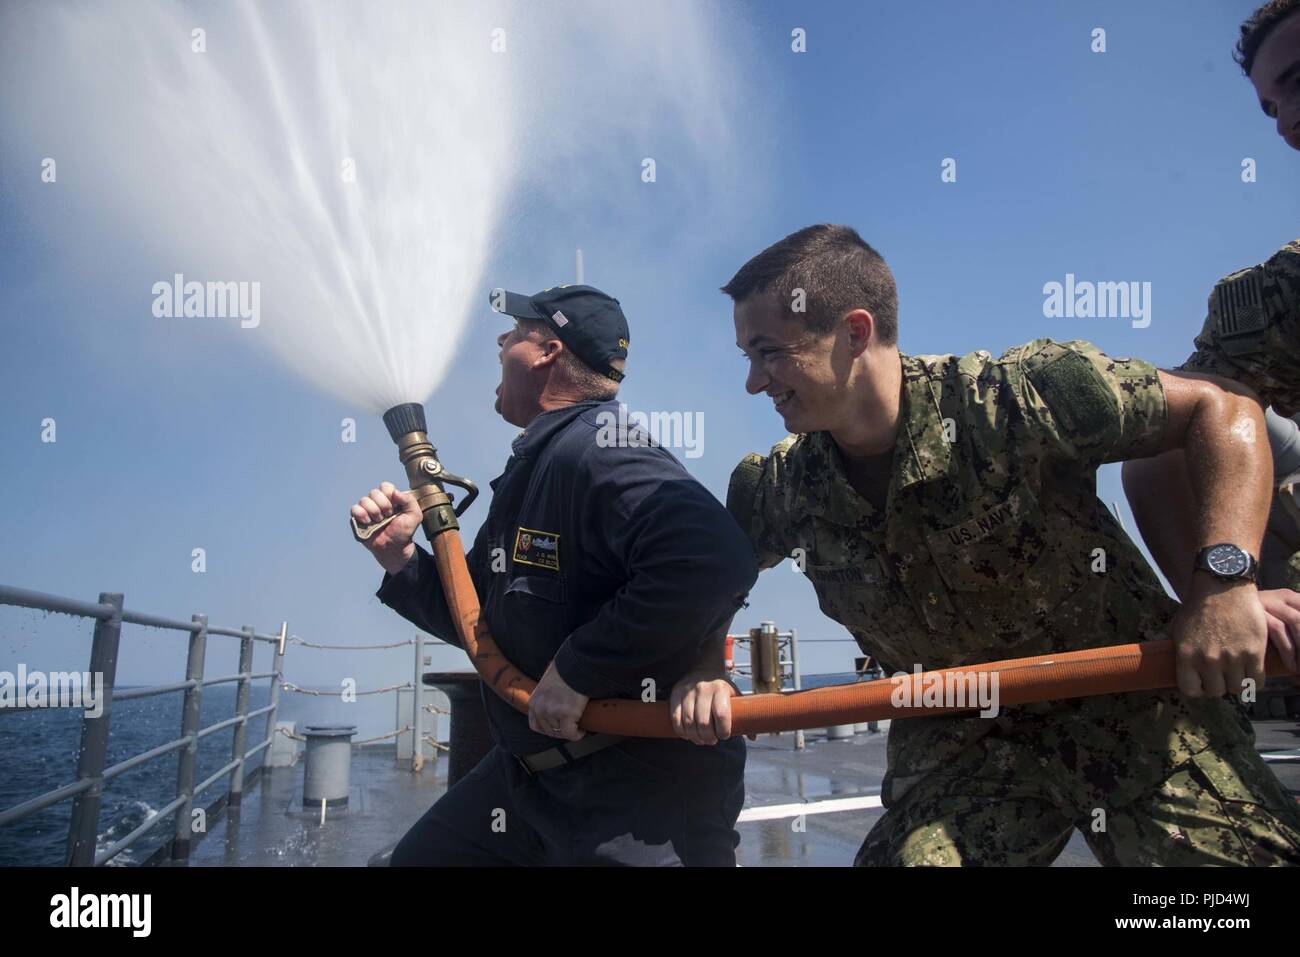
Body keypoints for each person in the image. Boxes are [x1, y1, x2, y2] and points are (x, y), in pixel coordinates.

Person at [676, 223, 1300, 865]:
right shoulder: (777, 487)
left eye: (770, 352)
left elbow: (1223, 411)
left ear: (854, 333)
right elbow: (719, 575)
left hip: (1137, 716)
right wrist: (702, 669)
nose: (755, 382)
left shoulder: (1018, 399)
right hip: (965, 749)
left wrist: (1224, 584)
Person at [354, 284, 755, 865]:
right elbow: (480, 625)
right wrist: (400, 557)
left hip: (635, 796)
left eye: (514, 332)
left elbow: (712, 561)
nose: (499, 341)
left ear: (546, 352)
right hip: (526, 782)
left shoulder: (600, 450)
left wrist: (577, 669)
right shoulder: (537, 466)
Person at [1122, 0, 1300, 673]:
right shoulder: (1280, 296)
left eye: (1298, 84)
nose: (1284, 123)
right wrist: (1223, 588)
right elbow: (1159, 446)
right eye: (1270, 105)